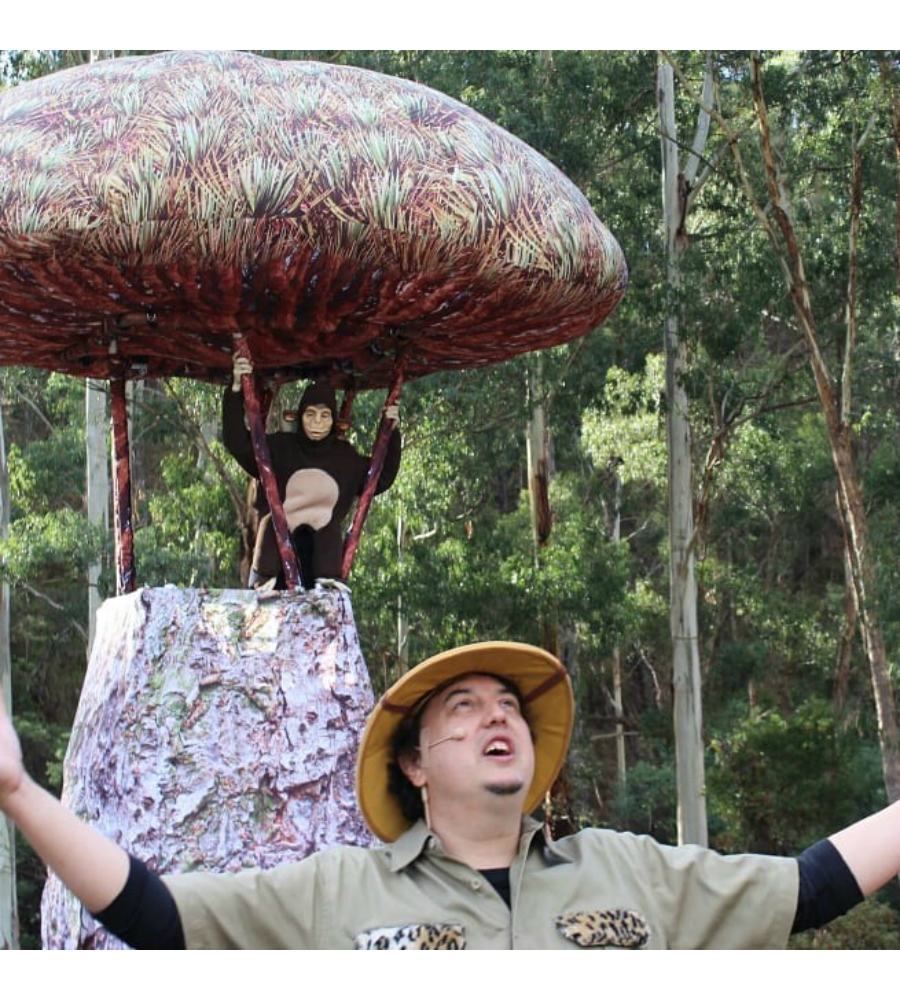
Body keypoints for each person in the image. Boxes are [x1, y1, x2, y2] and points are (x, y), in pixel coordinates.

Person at [1, 640, 899, 949]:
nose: (494, 717)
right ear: (415, 766)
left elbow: (809, 889)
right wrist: (17, 791)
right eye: (462, 709)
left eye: (507, 706)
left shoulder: (629, 872)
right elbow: (156, 917)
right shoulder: (334, 894)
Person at [223, 356, 401, 589]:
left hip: (323, 568)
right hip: (273, 564)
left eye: (324, 416)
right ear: (299, 417)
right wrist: (235, 390)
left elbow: (380, 478)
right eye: (310, 415)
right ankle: (263, 579)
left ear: (334, 421)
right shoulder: (279, 449)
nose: (317, 423)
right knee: (271, 525)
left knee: (328, 532)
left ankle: (326, 582)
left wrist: (392, 431)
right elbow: (238, 443)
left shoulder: (345, 459)